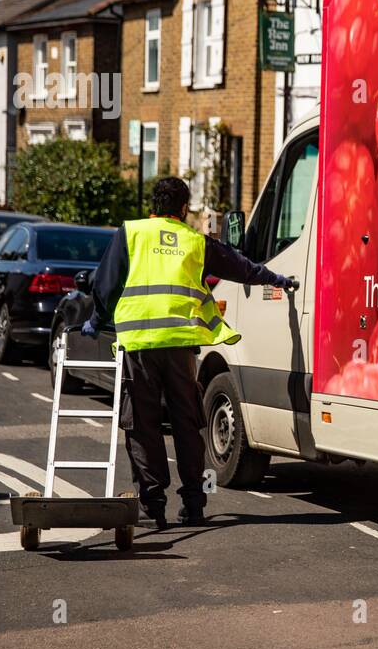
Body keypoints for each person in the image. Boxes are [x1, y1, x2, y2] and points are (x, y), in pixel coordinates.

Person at [82, 176, 295, 529]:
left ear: (152, 207)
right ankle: (193, 504)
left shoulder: (131, 233)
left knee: (142, 425)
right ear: (183, 209)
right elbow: (240, 267)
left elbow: (104, 285)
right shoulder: (195, 241)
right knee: (186, 423)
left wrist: (96, 318)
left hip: (140, 348)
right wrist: (274, 278)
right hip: (180, 347)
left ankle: (153, 504)